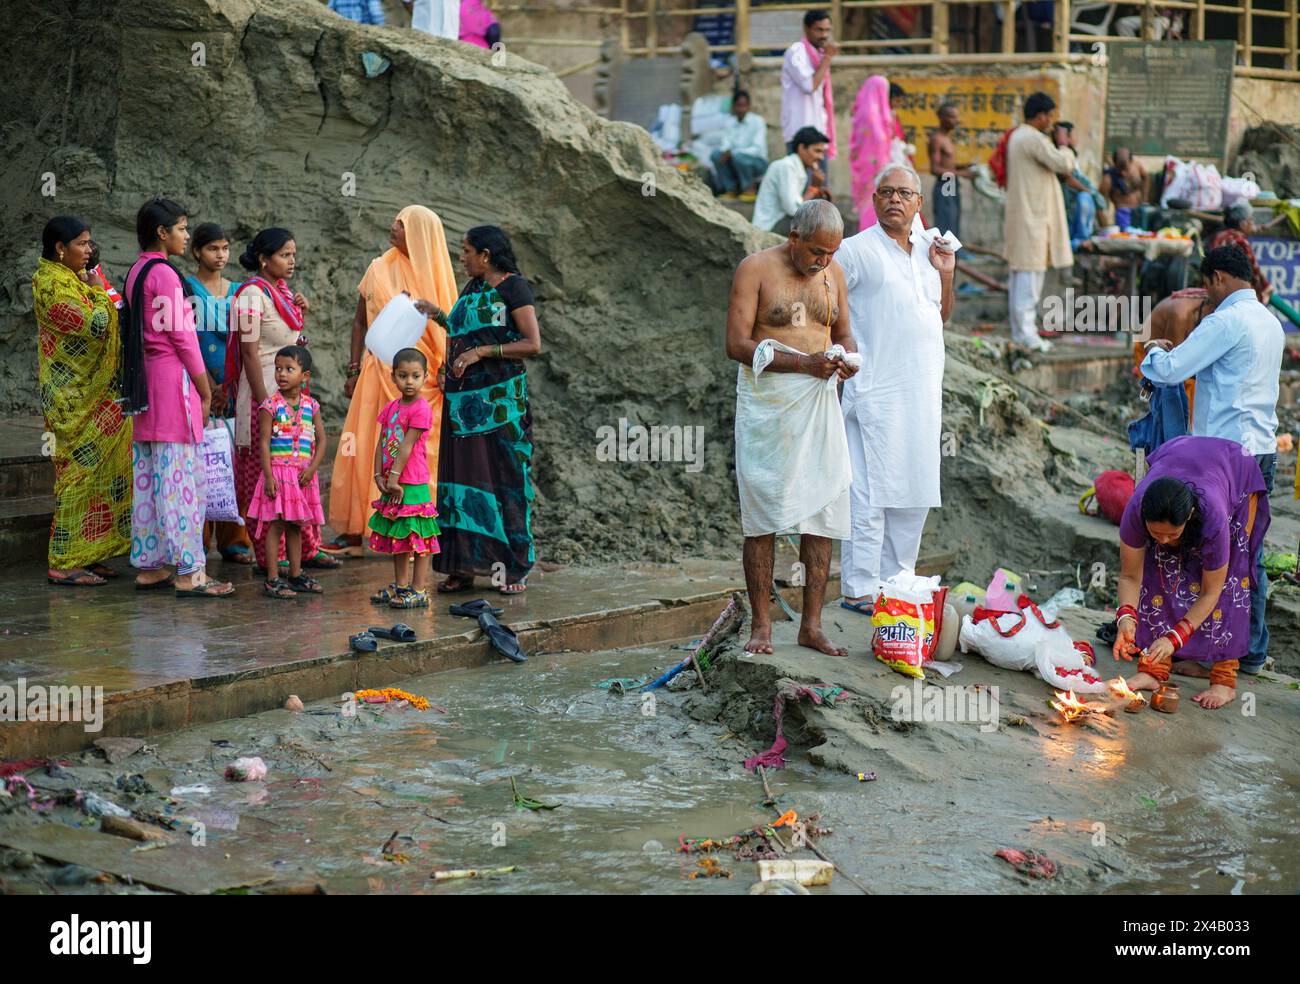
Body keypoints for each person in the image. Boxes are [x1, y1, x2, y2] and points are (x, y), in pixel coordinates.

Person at [1138, 245, 1283, 674]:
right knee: (1248, 554)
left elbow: (1168, 370)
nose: (1204, 294)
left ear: (1218, 277)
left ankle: (1216, 656)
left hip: (1223, 459)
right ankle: (1250, 651)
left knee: (1215, 555)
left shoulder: (1226, 321)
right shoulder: (1269, 322)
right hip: (1262, 451)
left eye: (1205, 285)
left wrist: (1151, 349)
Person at [726, 200, 858, 656]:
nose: (823, 261)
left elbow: (843, 334)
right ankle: (762, 627)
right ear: (794, 236)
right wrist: (804, 364)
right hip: (769, 404)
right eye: (817, 251)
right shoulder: (756, 268)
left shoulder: (832, 273)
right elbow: (737, 344)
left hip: (820, 404)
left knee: (821, 515)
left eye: (832, 253)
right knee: (761, 516)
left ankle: (811, 625)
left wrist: (848, 361)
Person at [835, 164, 954, 612]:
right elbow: (830, 307)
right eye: (886, 192)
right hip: (873, 391)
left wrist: (946, 272)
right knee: (867, 492)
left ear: (919, 203)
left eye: (904, 193)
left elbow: (940, 317)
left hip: (921, 392)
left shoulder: (931, 248)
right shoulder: (854, 250)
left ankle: (896, 583)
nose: (894, 200)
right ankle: (859, 588)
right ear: (874, 199)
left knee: (914, 488)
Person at [324, 206, 457, 557]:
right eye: (396, 222)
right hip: (376, 374)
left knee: (418, 456)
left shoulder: (437, 277)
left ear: (419, 235)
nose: (392, 228)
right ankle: (355, 531)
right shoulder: (378, 268)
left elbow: (449, 330)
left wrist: (445, 368)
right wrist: (353, 368)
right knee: (364, 445)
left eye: (401, 225)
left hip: (421, 385)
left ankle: (417, 531)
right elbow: (359, 322)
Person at [417, 226, 540, 595]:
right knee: (461, 483)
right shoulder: (471, 289)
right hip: (463, 405)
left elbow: (532, 343)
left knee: (504, 481)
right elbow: (461, 329)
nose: (461, 256)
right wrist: (436, 316)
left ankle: (512, 568)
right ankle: (463, 566)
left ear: (486, 255)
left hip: (500, 407)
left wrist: (482, 353)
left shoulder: (513, 288)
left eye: (467, 250)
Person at [123, 198, 233, 598]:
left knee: (150, 478)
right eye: (182, 228)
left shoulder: (136, 271)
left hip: (144, 384)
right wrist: (205, 391)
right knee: (181, 479)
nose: (187, 235)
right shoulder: (166, 275)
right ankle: (190, 573)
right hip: (171, 383)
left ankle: (151, 567)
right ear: (162, 233)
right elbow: (185, 340)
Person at [1115, 436, 1269, 710]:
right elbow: (1131, 576)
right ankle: (1153, 670)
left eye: (1172, 534)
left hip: (1235, 468)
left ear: (1189, 516)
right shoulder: (1136, 510)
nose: (1162, 540)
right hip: (1179, 455)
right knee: (1157, 571)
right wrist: (1126, 617)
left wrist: (1174, 638)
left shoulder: (1213, 517)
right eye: (1155, 533)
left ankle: (1224, 679)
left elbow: (1212, 590)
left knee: (1231, 580)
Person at [227, 228, 337, 575]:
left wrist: (298, 310)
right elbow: (248, 352)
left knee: (297, 470)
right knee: (268, 475)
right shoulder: (251, 296)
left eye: (293, 254)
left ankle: (305, 548)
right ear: (264, 259)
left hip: (292, 398)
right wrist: (266, 404)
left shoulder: (282, 294)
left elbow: (293, 343)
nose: (292, 261)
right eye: (284, 255)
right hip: (264, 397)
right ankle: (272, 559)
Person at [32, 216, 132, 586]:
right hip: (71, 401)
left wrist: (94, 289)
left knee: (103, 475)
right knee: (76, 478)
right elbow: (95, 324)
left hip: (97, 396)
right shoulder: (50, 284)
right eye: (83, 244)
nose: (89, 250)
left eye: (90, 243)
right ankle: (63, 560)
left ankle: (92, 552)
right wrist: (97, 291)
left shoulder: (74, 279)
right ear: (61, 249)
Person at [185, 222, 253, 566]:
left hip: (234, 389)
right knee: (203, 464)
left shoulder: (240, 291)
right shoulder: (187, 289)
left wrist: (232, 385)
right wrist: (209, 386)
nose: (221, 255)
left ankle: (235, 541)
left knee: (233, 461)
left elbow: (246, 342)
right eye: (213, 248)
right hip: (201, 388)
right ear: (197, 251)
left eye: (225, 248)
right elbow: (187, 340)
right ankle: (198, 539)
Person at [246, 346, 327, 600]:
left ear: (304, 376)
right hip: (279, 477)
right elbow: (264, 443)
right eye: (278, 368)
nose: (281, 374)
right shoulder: (270, 406)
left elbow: (322, 441)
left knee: (295, 526)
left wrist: (312, 469)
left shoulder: (311, 406)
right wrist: (268, 476)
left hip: (302, 476)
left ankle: (295, 574)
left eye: (289, 369)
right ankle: (272, 578)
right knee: (276, 525)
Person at [367, 348, 442, 609]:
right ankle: (400, 586)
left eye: (415, 376)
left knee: (418, 537)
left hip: (412, 482)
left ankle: (419, 589)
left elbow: (407, 446)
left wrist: (395, 478)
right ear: (393, 377)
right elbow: (382, 442)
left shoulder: (421, 409)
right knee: (399, 537)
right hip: (392, 482)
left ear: (425, 377)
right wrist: (378, 474)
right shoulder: (390, 407)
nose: (409, 381)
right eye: (403, 375)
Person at [1004, 92, 1077, 353]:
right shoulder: (1032, 138)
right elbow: (1063, 164)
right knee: (1029, 275)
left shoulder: (1020, 136)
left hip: (1029, 216)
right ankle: (1026, 334)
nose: (1050, 122)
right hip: (1031, 218)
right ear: (1041, 115)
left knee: (1023, 275)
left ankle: (1021, 331)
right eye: (1049, 116)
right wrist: (1065, 143)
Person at [752, 126, 831, 234]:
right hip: (770, 227)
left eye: (822, 152)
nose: (821, 157)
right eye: (817, 151)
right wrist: (813, 188)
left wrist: (819, 193)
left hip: (781, 223)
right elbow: (794, 211)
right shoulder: (786, 167)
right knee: (814, 224)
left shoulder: (797, 168)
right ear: (802, 148)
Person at [781, 9, 837, 159]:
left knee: (819, 182)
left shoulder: (817, 54)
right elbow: (809, 86)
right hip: (800, 136)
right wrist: (827, 58)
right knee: (800, 182)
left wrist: (824, 58)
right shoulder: (796, 52)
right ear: (806, 29)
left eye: (827, 30)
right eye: (819, 30)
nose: (824, 35)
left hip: (818, 133)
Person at [1207, 202, 1272, 303]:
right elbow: (1252, 269)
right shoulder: (1240, 241)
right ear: (1243, 224)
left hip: (1214, 287)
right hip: (1232, 292)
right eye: (1251, 220)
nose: (1253, 223)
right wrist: (1266, 287)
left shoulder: (1218, 236)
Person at [709, 91, 768, 201]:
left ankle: (749, 189)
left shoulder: (757, 121)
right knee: (716, 155)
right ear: (734, 107)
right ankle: (731, 189)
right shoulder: (730, 123)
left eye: (744, 106)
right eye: (739, 106)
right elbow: (725, 144)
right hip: (736, 160)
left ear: (749, 106)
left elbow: (757, 149)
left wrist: (734, 153)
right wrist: (726, 152)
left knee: (738, 157)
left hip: (757, 162)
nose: (742, 109)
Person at [927, 102, 974, 240]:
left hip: (951, 183)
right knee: (945, 222)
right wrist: (963, 174)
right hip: (944, 185)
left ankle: (954, 257)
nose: (955, 121)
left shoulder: (947, 138)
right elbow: (935, 169)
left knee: (953, 220)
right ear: (941, 117)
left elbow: (947, 166)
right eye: (951, 117)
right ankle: (943, 257)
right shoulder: (937, 139)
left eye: (956, 117)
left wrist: (963, 166)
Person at [1099, 147, 1147, 230]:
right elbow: (1101, 204)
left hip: (1140, 210)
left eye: (1125, 169)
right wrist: (1105, 225)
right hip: (1123, 214)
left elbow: (1146, 178)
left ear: (1131, 162)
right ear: (1114, 164)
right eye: (1119, 169)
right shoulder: (1108, 179)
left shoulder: (1137, 167)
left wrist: (1145, 198)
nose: (1123, 173)